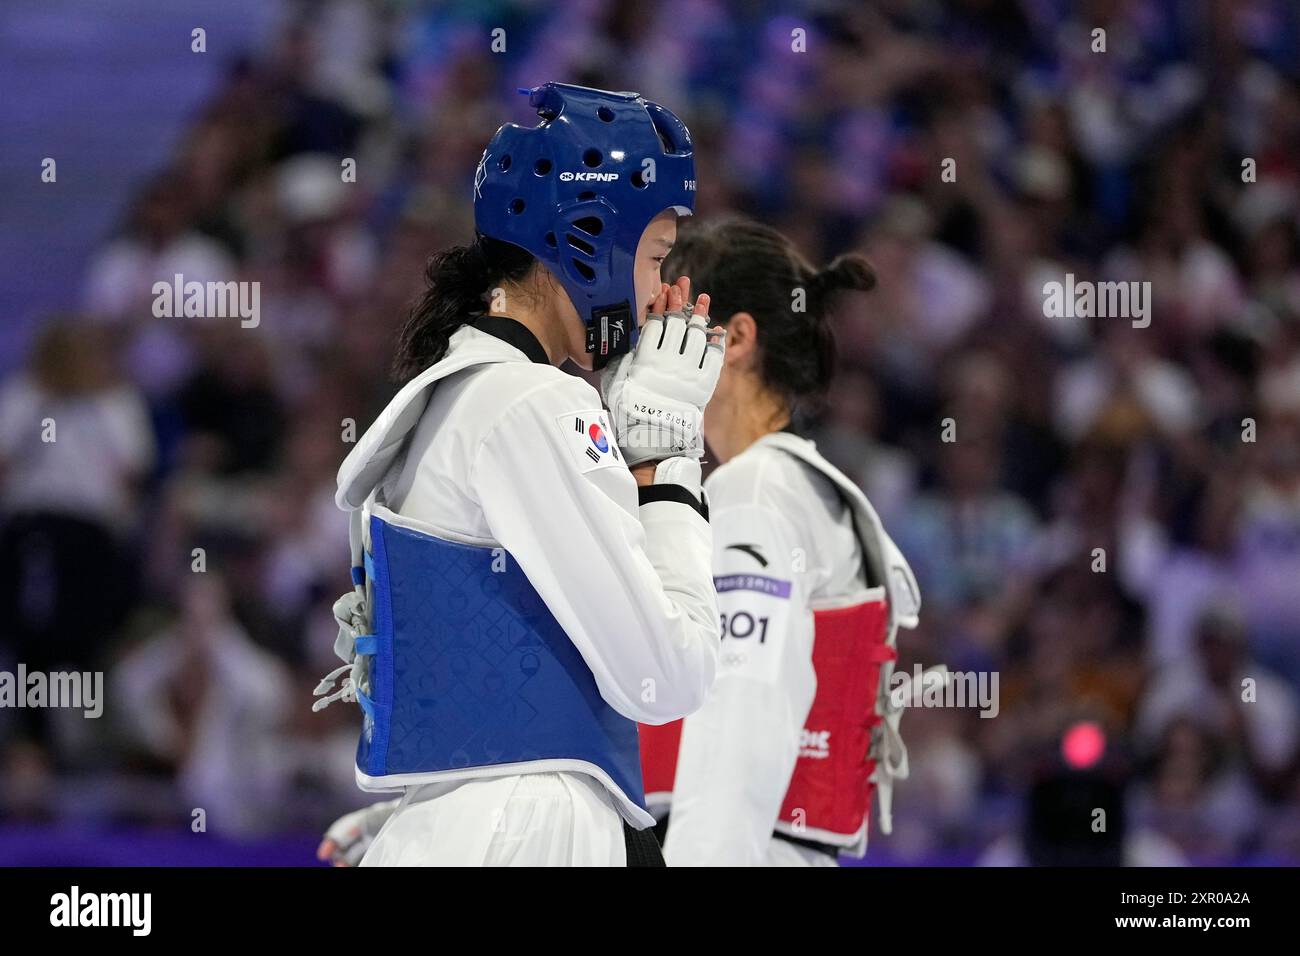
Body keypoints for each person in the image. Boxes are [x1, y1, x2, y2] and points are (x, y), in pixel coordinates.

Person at [313, 82, 725, 866]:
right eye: (658, 256)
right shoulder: (531, 404)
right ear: (589, 237)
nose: (660, 289)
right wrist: (668, 461)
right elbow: (667, 676)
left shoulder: (459, 389)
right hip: (525, 825)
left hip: (466, 822)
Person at [638, 219, 923, 866]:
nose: (642, 347)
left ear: (735, 337)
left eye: (664, 320)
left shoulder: (757, 495)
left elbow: (744, 715)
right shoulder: (786, 487)